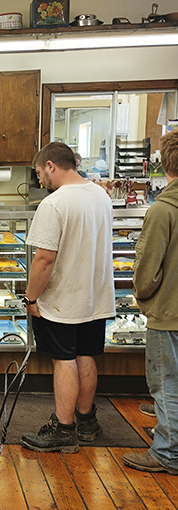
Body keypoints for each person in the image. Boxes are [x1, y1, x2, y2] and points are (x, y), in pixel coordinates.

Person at [20, 142, 115, 453]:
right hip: (95, 294)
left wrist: (31, 298)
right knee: (86, 355)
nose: (39, 180)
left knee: (64, 361)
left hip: (63, 300)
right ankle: (87, 421)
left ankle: (63, 428)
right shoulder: (100, 194)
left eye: (38, 173)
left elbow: (44, 260)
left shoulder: (54, 204)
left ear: (51, 166)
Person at [123, 129, 178, 475]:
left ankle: (166, 452)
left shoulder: (163, 210)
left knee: (166, 383)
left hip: (169, 313)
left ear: (163, 162)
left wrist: (142, 297)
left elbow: (147, 271)